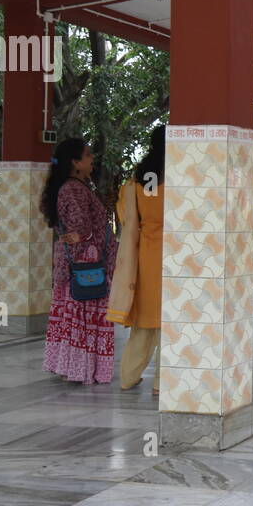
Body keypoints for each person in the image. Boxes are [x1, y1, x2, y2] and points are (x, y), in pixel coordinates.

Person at [41, 137, 118, 384]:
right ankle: (79, 369)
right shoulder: (72, 189)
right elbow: (79, 229)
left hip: (78, 263)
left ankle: (74, 367)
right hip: (86, 265)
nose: (92, 158)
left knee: (75, 317)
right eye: (87, 155)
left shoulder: (72, 187)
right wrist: (90, 249)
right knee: (85, 316)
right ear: (75, 162)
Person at [108, 125, 165, 394]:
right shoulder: (180, 175)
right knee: (170, 322)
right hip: (173, 254)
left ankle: (128, 377)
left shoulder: (138, 179)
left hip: (144, 255)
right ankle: (161, 384)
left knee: (145, 321)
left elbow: (124, 214)